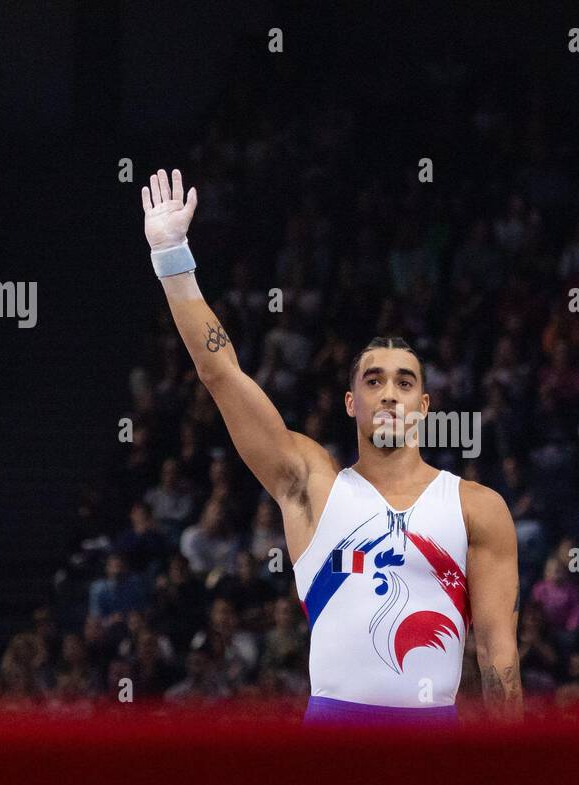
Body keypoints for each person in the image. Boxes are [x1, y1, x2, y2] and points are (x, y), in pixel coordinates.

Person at [140, 168, 521, 723]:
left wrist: (515, 777)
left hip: (433, 744)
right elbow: (221, 373)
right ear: (350, 404)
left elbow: (498, 656)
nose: (389, 394)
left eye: (405, 382)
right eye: (373, 382)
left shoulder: (476, 508)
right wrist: (173, 256)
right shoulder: (311, 486)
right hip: (333, 742)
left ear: (424, 407)